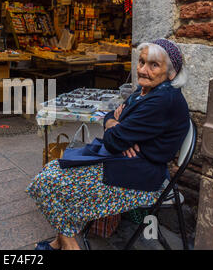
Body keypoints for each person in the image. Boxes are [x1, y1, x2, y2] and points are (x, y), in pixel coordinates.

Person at [27, 39, 190, 250]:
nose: (143, 70)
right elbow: (111, 115)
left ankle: (69, 246)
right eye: (141, 62)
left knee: (49, 181)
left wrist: (118, 132)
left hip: (142, 174)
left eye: (153, 65)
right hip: (127, 162)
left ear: (171, 73)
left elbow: (113, 140)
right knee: (55, 170)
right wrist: (115, 124)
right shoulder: (147, 92)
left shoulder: (162, 99)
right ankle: (60, 241)